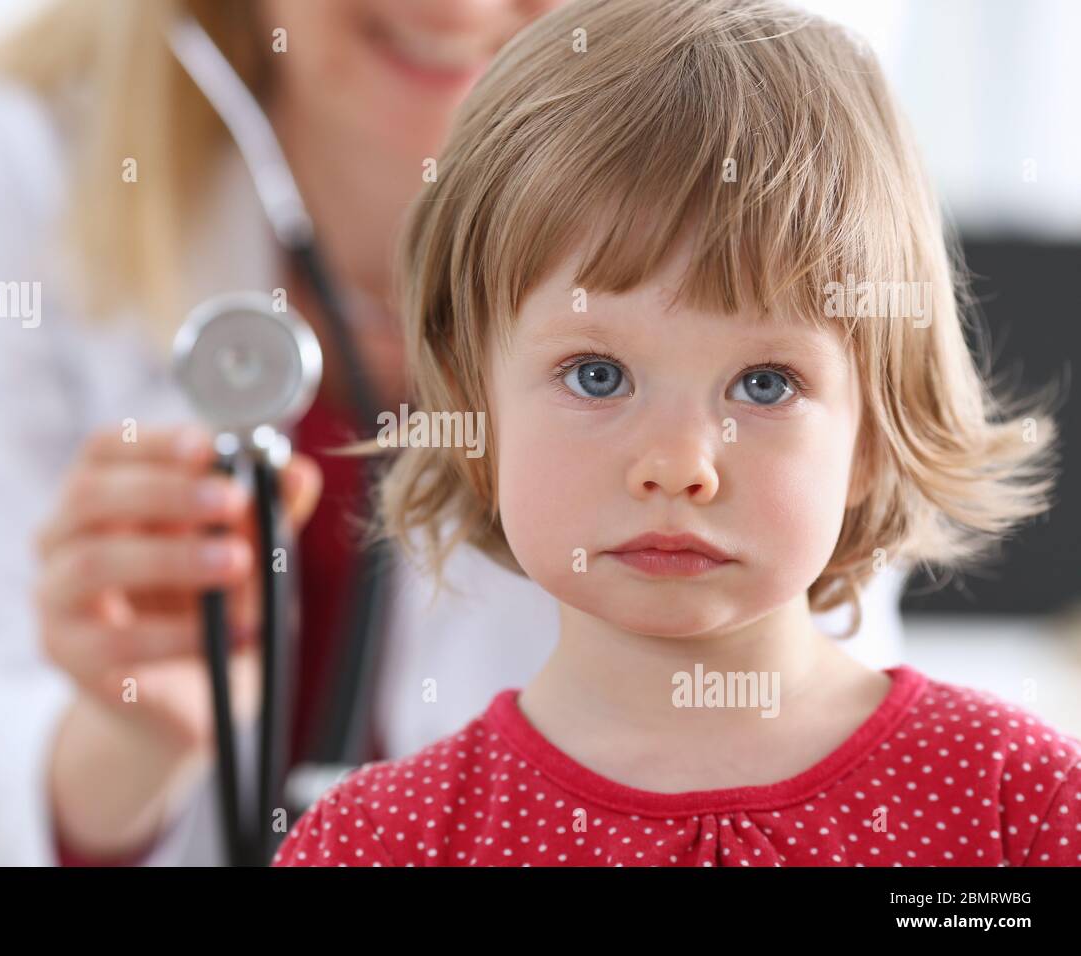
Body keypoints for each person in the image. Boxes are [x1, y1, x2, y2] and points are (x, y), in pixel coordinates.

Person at [0, 0, 906, 866]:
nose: (455, 8)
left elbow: (789, 738)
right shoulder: (27, 154)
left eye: (764, 382)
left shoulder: (781, 171)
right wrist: (124, 736)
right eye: (592, 373)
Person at [272, 0, 1076, 867]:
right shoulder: (375, 844)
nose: (678, 465)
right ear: (476, 409)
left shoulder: (1016, 810)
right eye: (597, 376)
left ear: (875, 434)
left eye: (765, 385)